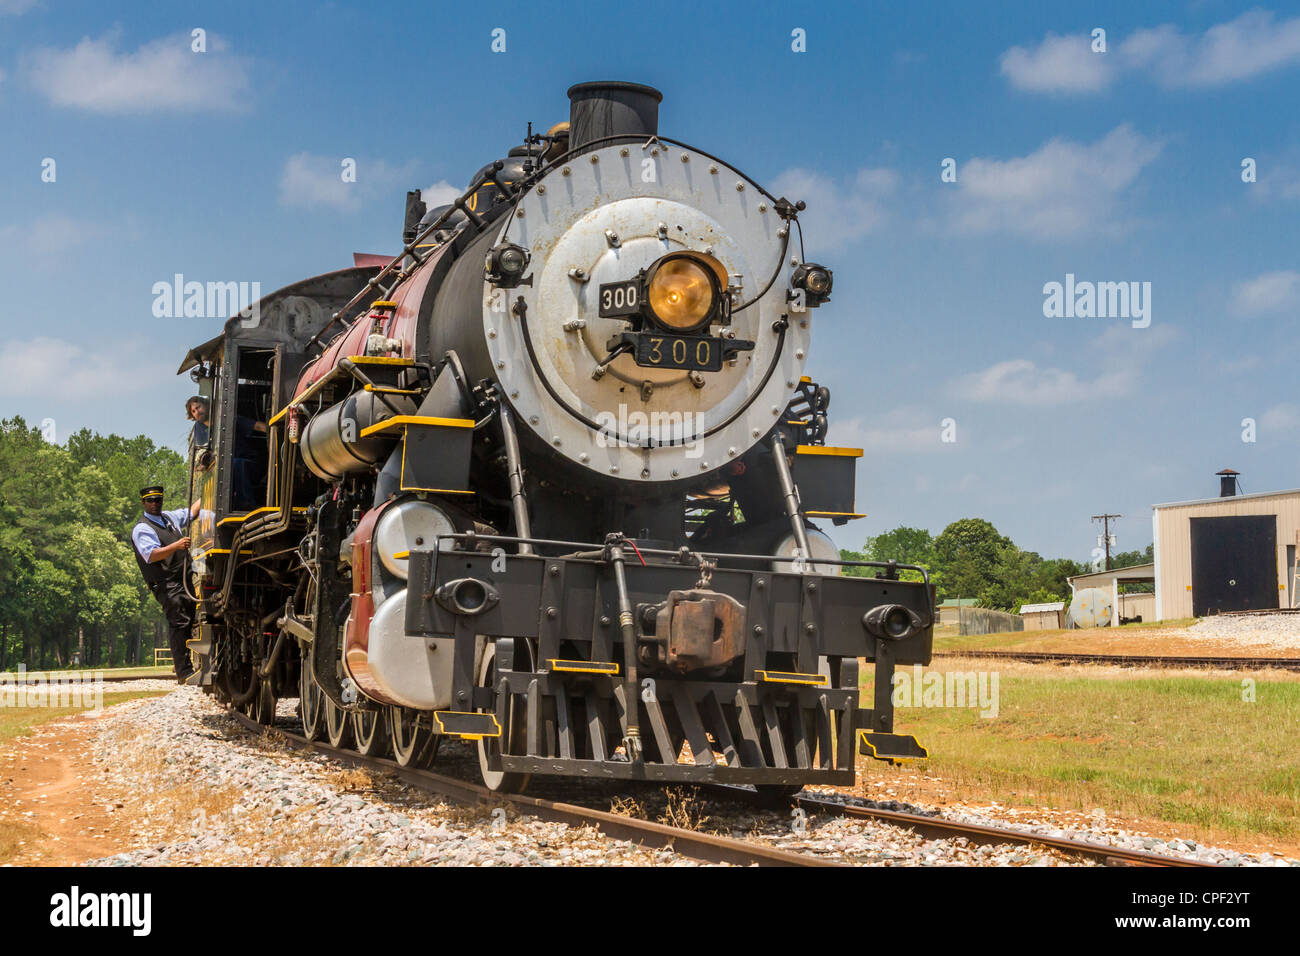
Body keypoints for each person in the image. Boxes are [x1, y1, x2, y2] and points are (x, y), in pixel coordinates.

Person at [130, 486, 201, 683]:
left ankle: (188, 664)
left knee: (191, 618)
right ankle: (184, 672)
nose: (155, 504)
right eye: (151, 501)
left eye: (158, 500)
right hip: (166, 583)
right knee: (179, 622)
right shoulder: (142, 528)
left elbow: (191, 512)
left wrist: (208, 494)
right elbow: (151, 555)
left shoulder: (169, 518)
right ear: (144, 503)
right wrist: (176, 546)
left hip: (183, 579)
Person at [186, 396, 268, 510]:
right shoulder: (198, 429)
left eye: (198, 407)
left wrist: (274, 429)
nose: (197, 412)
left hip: (249, 464)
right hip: (222, 470)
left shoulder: (227, 419)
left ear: (206, 405)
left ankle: (245, 504)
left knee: (236, 464)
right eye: (193, 411)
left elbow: (256, 426)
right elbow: (201, 452)